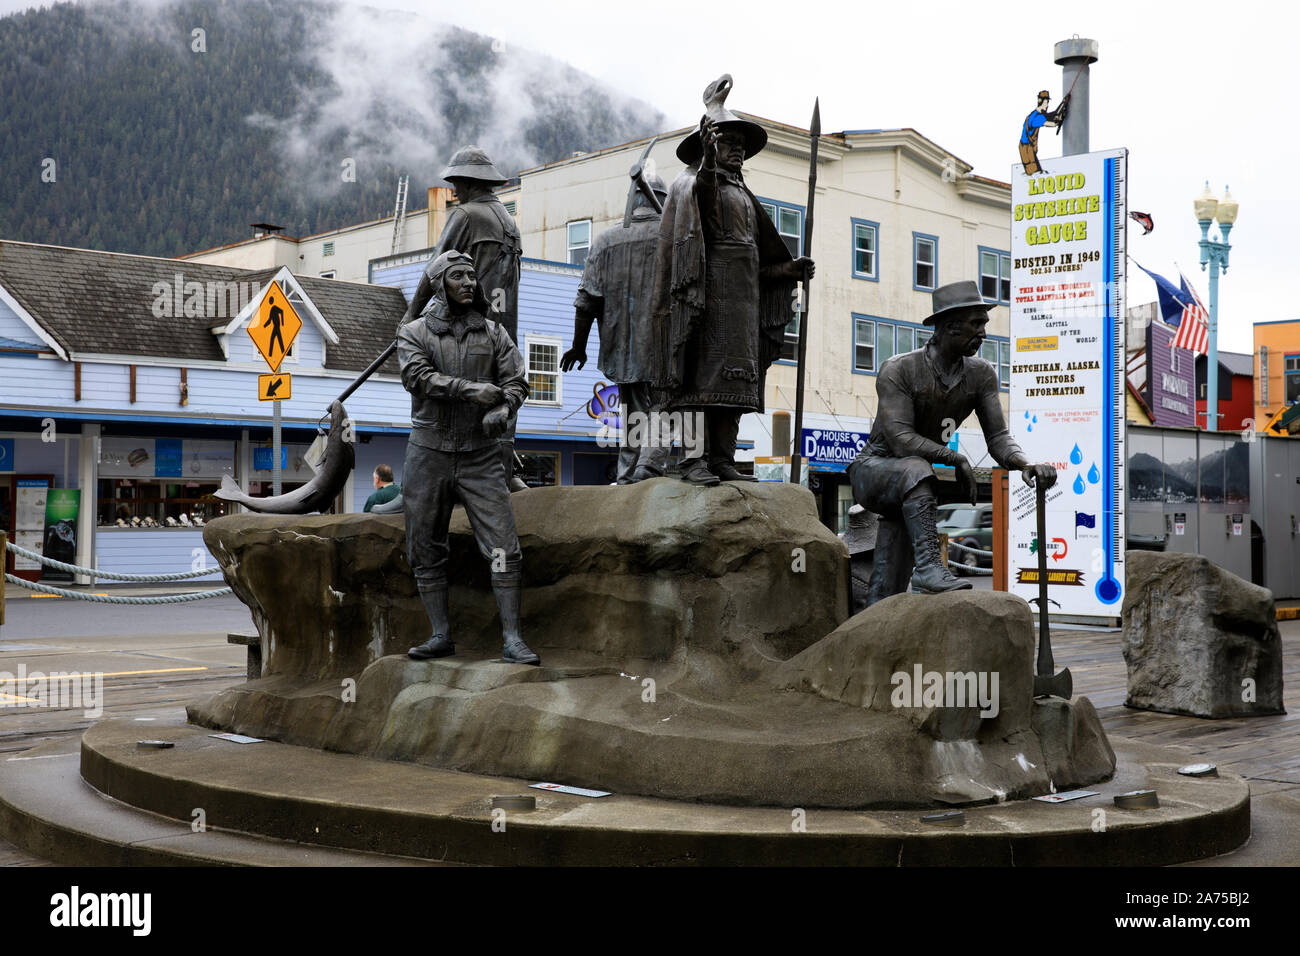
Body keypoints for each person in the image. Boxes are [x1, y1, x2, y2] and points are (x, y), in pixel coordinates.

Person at [847, 280, 1057, 604]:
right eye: (976, 325)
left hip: (915, 480)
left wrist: (1024, 463)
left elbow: (999, 438)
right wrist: (954, 457)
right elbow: (901, 441)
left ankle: (877, 616)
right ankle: (929, 569)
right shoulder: (899, 369)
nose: (983, 334)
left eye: (984, 325)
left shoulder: (981, 374)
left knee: (886, 590)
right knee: (916, 470)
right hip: (873, 472)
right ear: (949, 325)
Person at [650, 75, 813, 485]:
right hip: (704, 299)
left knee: (734, 387)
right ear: (708, 148)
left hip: (743, 305)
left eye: (741, 143)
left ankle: (722, 458)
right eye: (728, 142)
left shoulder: (744, 196)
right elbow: (702, 197)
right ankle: (691, 461)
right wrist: (707, 152)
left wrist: (788, 271)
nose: (737, 148)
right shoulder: (693, 185)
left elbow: (755, 262)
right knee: (697, 384)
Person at [398, 250, 539, 666]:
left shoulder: (493, 333)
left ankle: (513, 639)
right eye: (458, 276)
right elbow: (416, 377)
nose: (469, 283)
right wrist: (469, 390)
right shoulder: (414, 333)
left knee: (503, 548)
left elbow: (516, 381)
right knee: (424, 546)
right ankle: (440, 634)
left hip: (481, 456)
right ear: (440, 283)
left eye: (472, 276)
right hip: (428, 454)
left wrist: (504, 407)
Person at [402, 146, 527, 492]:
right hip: (501, 329)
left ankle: (435, 481)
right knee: (498, 395)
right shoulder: (509, 221)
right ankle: (500, 467)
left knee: (440, 395)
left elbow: (436, 268)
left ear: (471, 183)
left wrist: (411, 315)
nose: (455, 191)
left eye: (458, 183)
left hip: (463, 327)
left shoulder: (467, 215)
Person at [562, 173, 672, 483]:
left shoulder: (605, 241)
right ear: (662, 199)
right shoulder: (673, 238)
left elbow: (586, 301)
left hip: (624, 348)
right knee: (666, 407)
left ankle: (628, 475)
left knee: (634, 413)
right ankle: (646, 470)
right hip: (666, 345)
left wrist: (579, 346)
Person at [1019, 90, 1067, 176]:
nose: (1047, 106)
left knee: (1036, 172)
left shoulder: (1035, 114)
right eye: (1046, 103)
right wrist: (1060, 115)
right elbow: (1052, 123)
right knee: (1034, 174)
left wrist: (1063, 104)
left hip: (1029, 146)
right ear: (1041, 102)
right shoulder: (1036, 118)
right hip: (1026, 148)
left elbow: (1051, 115)